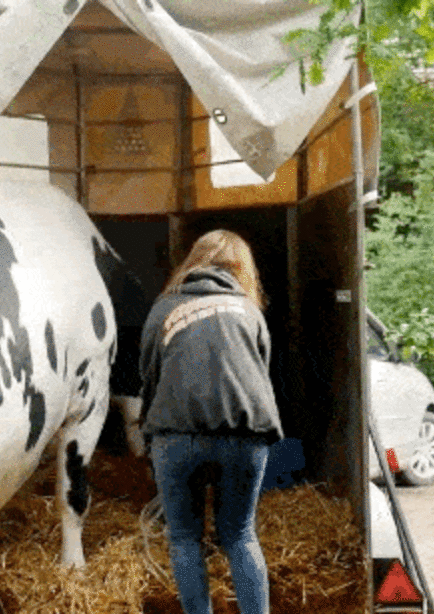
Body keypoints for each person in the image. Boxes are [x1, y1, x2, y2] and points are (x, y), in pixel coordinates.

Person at [138, 229, 284, 614]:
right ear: (241, 269)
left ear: (194, 263)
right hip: (245, 435)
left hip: (177, 435)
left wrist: (148, 435)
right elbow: (261, 373)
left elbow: (149, 375)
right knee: (239, 533)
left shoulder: (164, 307)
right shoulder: (249, 311)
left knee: (185, 538)